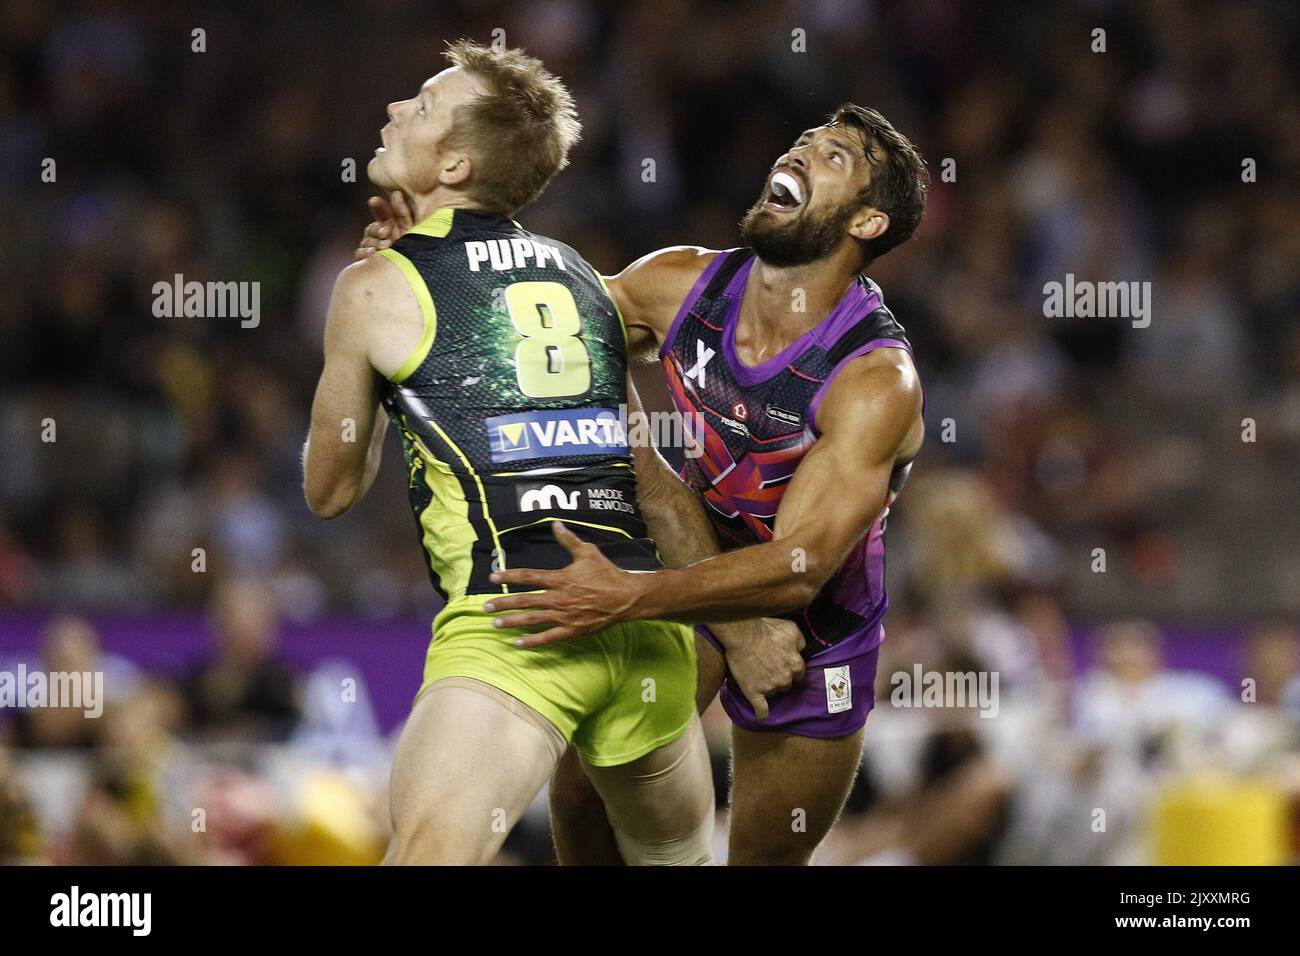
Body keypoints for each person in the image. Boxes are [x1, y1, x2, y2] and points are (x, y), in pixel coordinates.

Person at [363, 102, 928, 863]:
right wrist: (425, 267)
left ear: (865, 223)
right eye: (801, 142)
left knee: (764, 859)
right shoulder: (679, 282)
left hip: (816, 632)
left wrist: (629, 595)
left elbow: (800, 569)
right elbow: (539, 319)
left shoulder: (874, 379)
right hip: (687, 570)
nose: (798, 154)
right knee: (582, 794)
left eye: (833, 157)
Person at [305, 40, 715, 865]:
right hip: (643, 633)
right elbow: (648, 478)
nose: (393, 112)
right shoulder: (583, 280)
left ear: (453, 163)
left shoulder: (375, 285)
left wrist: (367, 326)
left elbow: (330, 490)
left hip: (520, 627)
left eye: (420, 108)